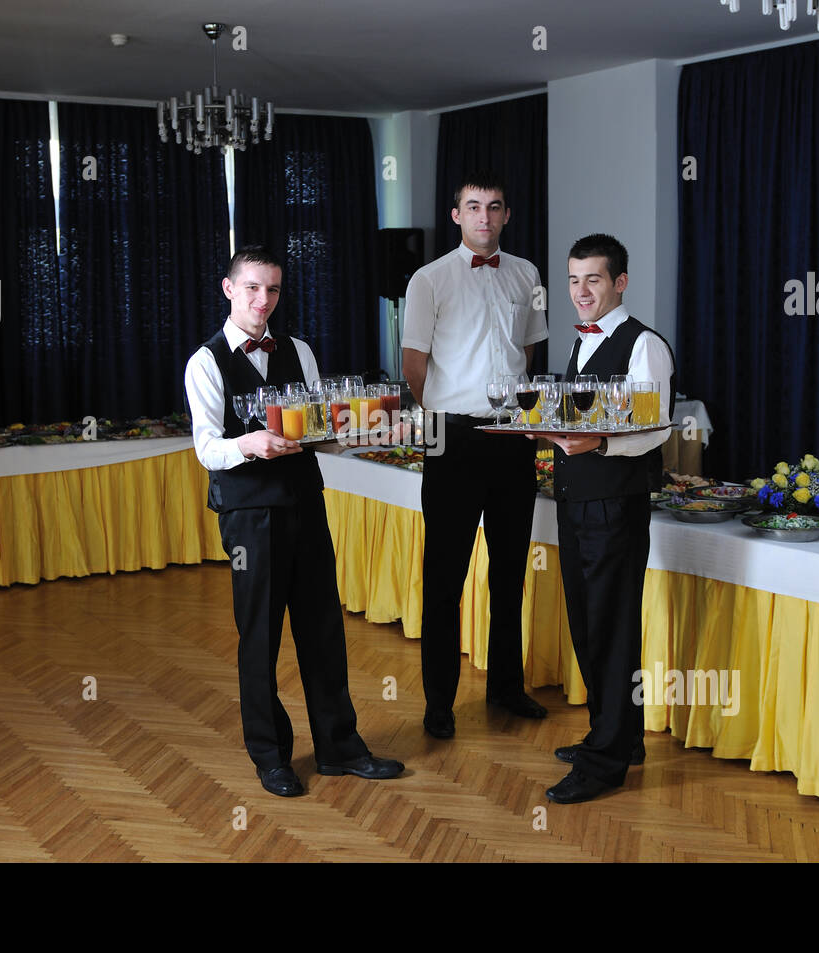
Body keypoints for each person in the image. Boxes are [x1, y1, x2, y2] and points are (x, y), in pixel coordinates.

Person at [183, 245, 403, 797]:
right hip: (250, 517)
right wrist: (250, 444)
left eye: (274, 289)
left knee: (323, 630)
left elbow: (313, 430)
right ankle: (270, 756)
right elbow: (208, 448)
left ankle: (339, 747)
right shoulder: (205, 361)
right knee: (259, 637)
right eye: (253, 287)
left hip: (305, 502)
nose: (264, 300)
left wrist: (364, 434)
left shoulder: (299, 350)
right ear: (229, 288)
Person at [401, 171, 549, 739]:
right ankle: (439, 702)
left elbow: (529, 348)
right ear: (456, 215)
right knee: (445, 576)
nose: (484, 216)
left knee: (510, 570)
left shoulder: (528, 274)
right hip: (451, 437)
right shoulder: (428, 279)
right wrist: (445, 418)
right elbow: (415, 364)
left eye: (494, 206)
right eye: (473, 207)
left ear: (506, 215)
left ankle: (506, 687)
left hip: (512, 438)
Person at [540, 233, 675, 804]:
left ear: (619, 282)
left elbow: (657, 427)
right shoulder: (583, 346)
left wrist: (596, 441)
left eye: (593, 279)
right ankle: (615, 734)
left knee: (612, 626)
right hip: (576, 502)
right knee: (588, 621)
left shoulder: (644, 345)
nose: (581, 291)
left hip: (615, 504)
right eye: (573, 279)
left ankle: (605, 761)